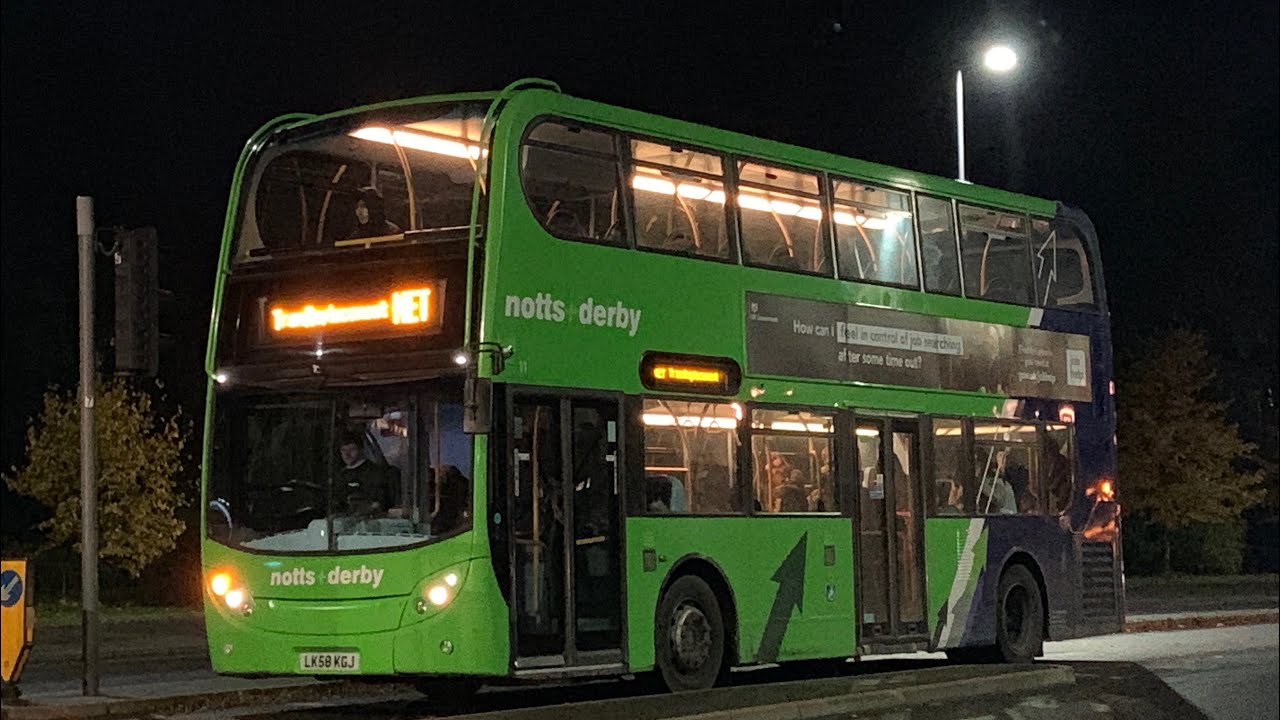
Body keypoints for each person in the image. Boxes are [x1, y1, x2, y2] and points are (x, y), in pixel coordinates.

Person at [339, 434, 394, 517]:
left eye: (352, 449)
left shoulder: (373, 472)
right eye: (343, 450)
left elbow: (380, 501)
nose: (347, 454)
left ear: (361, 450)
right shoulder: (340, 475)